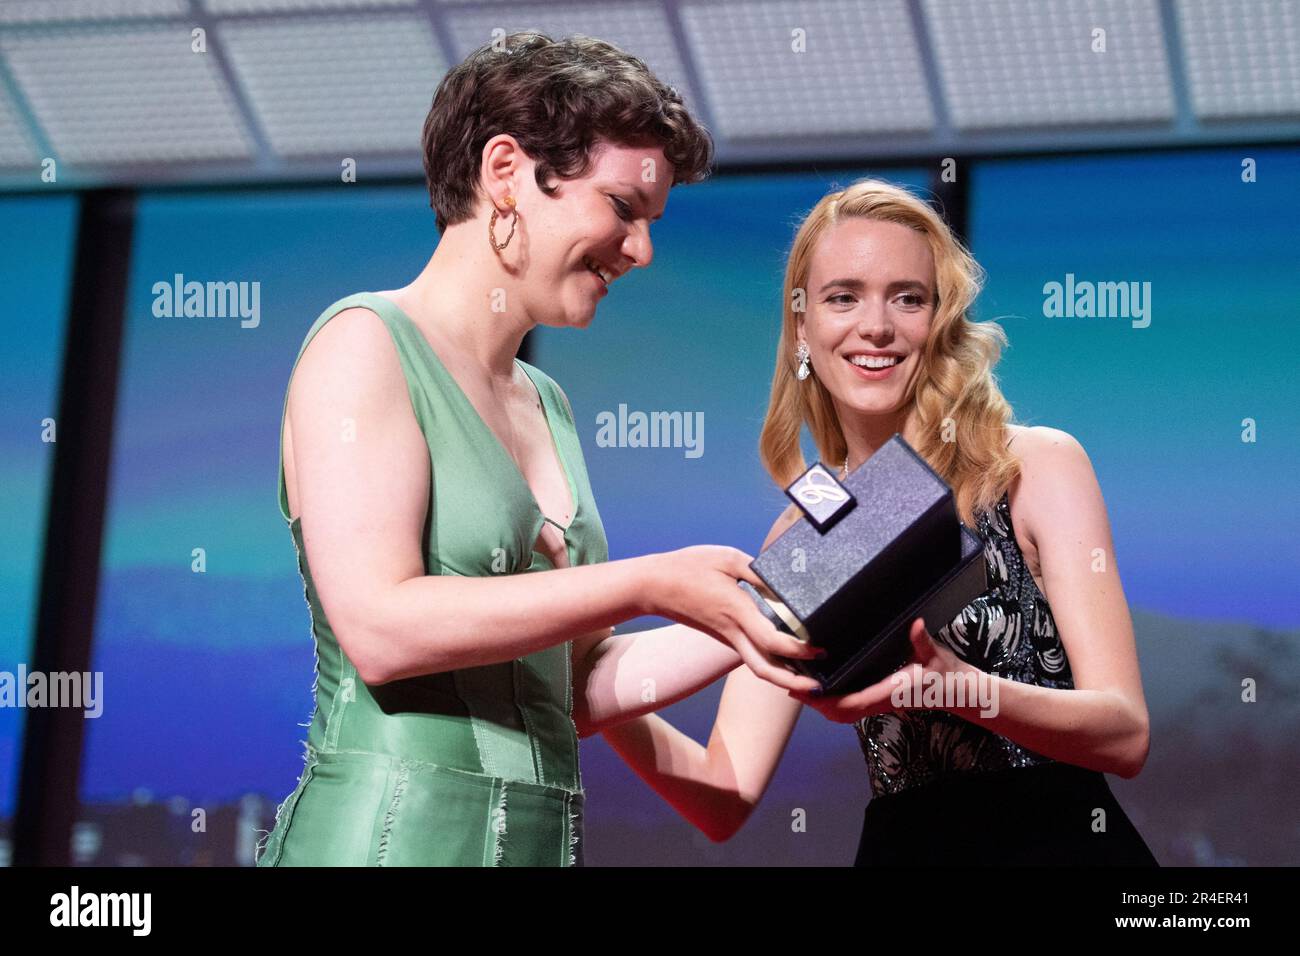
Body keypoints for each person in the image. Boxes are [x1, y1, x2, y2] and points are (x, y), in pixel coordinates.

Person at [255, 32, 820, 867]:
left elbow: (575, 688)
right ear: (506, 171)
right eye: (623, 208)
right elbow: (379, 626)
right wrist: (648, 581)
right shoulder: (363, 343)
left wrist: (775, 611)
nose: (642, 251)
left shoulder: (546, 402)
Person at [600, 178, 1160, 866]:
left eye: (908, 297)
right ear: (802, 327)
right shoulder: (802, 535)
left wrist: (958, 689)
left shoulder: (1029, 465)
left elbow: (1125, 732)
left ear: (940, 319)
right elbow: (723, 792)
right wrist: (592, 676)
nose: (877, 326)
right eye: (844, 297)